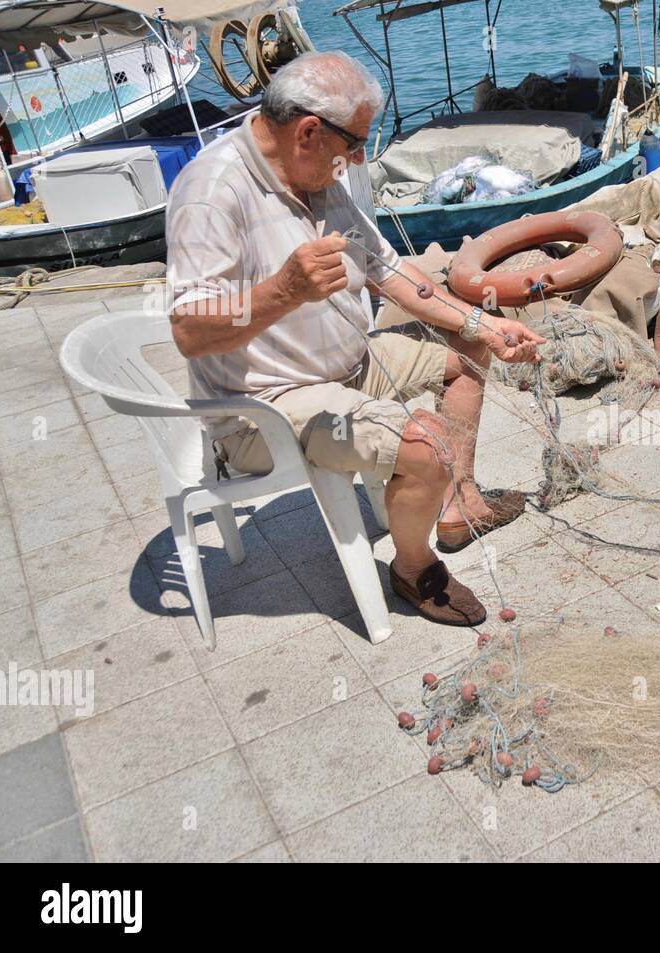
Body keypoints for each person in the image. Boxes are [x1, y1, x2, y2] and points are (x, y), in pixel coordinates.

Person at [166, 51, 545, 627]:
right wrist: (284, 291)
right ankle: (413, 568)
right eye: (356, 144)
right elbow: (189, 332)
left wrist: (485, 324)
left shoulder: (319, 173)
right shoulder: (212, 193)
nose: (360, 158)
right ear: (309, 131)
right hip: (265, 404)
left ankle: (457, 503)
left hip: (349, 364)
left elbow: (391, 272)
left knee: (467, 347)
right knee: (426, 445)